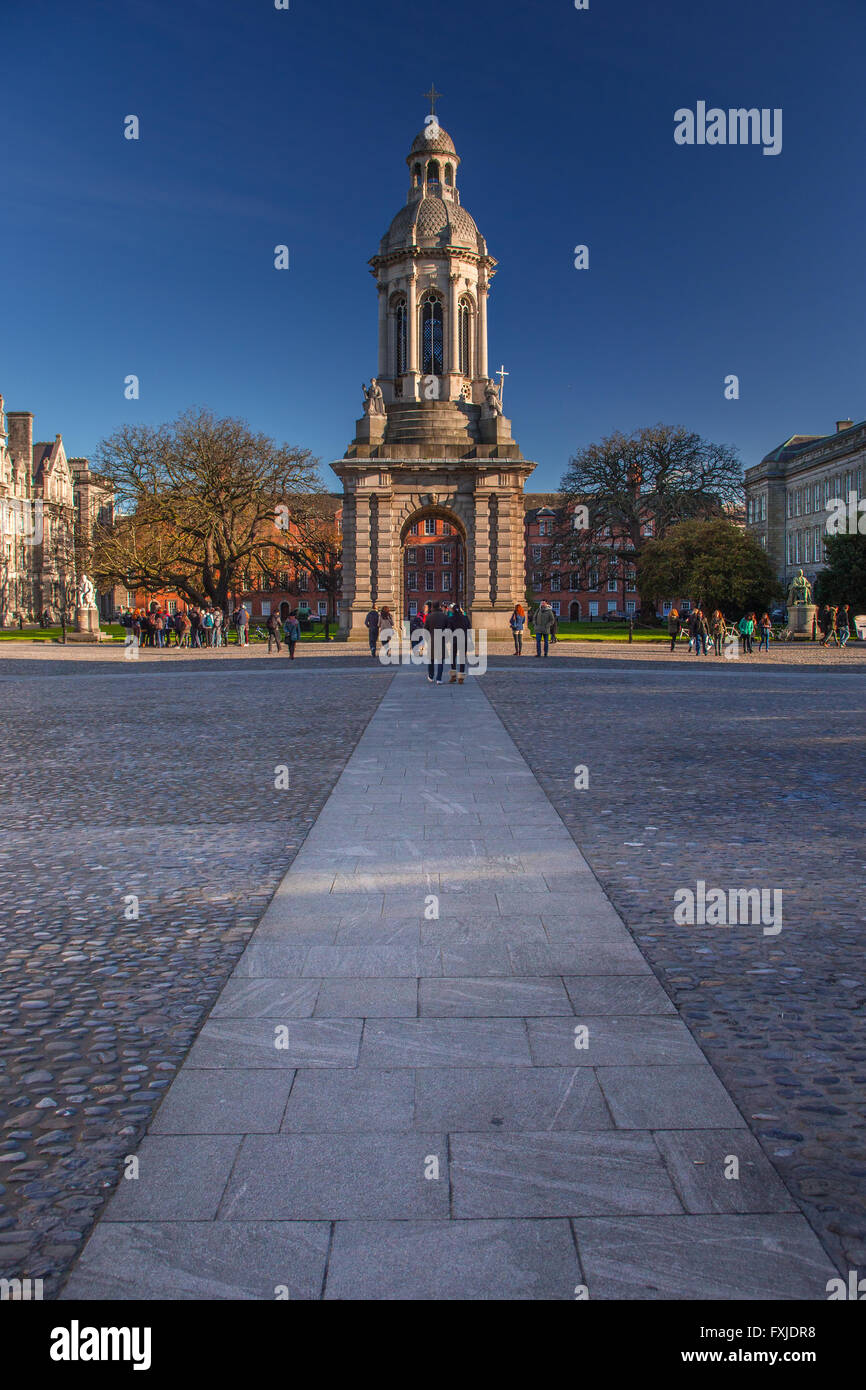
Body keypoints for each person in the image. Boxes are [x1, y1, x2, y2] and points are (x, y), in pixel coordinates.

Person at [424, 601, 448, 683]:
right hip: (441, 639)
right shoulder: (444, 616)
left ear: (432, 607)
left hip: (431, 639)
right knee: (440, 660)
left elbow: (425, 630)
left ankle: (431, 676)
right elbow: (448, 629)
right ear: (440, 607)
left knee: (431, 659)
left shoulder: (429, 617)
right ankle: (439, 678)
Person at [447, 603, 471, 684]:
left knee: (453, 658)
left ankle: (453, 677)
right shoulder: (465, 618)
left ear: (453, 610)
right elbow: (469, 628)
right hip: (463, 640)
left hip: (454, 640)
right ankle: (461, 678)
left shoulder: (451, 618)